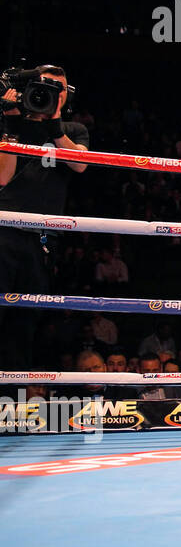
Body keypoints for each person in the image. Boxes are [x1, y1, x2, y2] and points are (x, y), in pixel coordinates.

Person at [0, 65, 89, 368]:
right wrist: (10, 128)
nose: (52, 91)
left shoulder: (74, 130)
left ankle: (11, 402)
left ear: (67, 95)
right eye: (46, 85)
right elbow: (3, 177)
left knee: (25, 321)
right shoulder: (8, 122)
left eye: (59, 88)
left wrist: (55, 128)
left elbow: (80, 165)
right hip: (4, 230)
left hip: (42, 237)